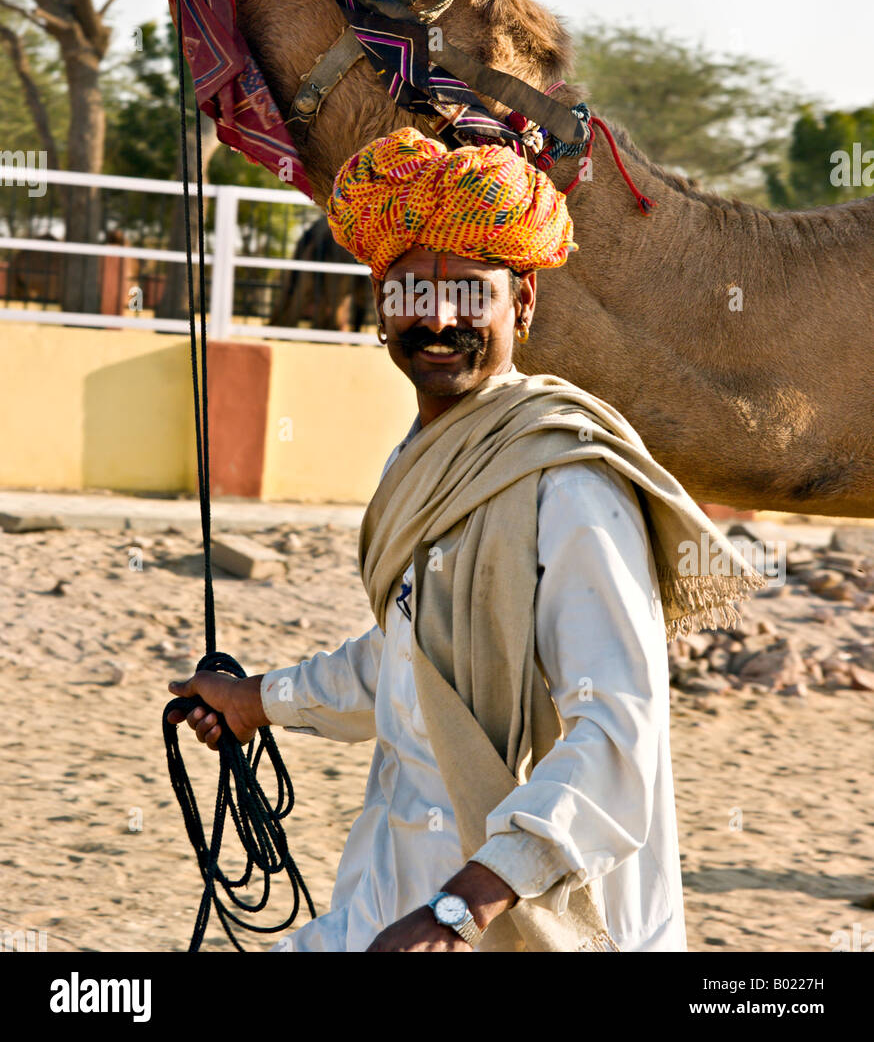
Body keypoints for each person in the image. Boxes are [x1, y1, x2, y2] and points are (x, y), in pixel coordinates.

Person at [169, 127, 763, 953]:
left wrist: (461, 910)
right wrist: (256, 702)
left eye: (469, 293)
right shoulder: (420, 458)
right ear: (382, 308)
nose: (438, 318)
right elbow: (411, 661)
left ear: (522, 303)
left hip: (526, 907)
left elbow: (617, 736)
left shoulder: (567, 480)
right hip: (393, 886)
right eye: (412, 291)